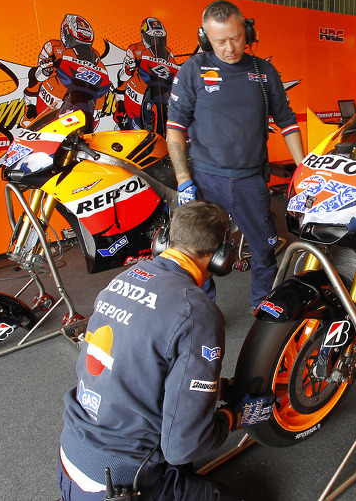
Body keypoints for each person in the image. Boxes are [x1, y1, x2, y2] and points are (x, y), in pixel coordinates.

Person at [58, 200, 272, 501]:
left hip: (71, 455)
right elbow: (183, 447)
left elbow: (134, 364)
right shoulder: (196, 311)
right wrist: (234, 416)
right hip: (122, 485)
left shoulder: (124, 279)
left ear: (163, 238)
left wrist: (218, 389)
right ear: (221, 256)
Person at [166, 0, 305, 310]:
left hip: (250, 181)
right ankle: (203, 310)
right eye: (219, 41)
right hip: (205, 179)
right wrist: (183, 179)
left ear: (248, 32)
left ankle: (262, 306)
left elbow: (287, 121)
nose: (229, 47)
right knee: (196, 250)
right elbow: (174, 127)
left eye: (236, 37)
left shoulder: (264, 71)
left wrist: (303, 167)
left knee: (265, 248)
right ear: (205, 39)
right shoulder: (192, 71)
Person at [22, 14, 109, 128]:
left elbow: (97, 65)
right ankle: (31, 109)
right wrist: (45, 70)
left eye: (85, 43)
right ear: (66, 34)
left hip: (79, 81)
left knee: (101, 94)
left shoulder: (94, 52)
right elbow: (40, 68)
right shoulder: (52, 46)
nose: (79, 45)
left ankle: (92, 119)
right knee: (34, 73)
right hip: (58, 79)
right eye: (74, 40)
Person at [114, 17, 179, 134]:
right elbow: (122, 76)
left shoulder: (168, 51)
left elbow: (173, 66)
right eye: (152, 37)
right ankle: (122, 112)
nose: (156, 41)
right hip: (140, 82)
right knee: (125, 85)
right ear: (144, 35)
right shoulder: (134, 49)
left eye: (160, 38)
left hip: (161, 81)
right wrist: (129, 68)